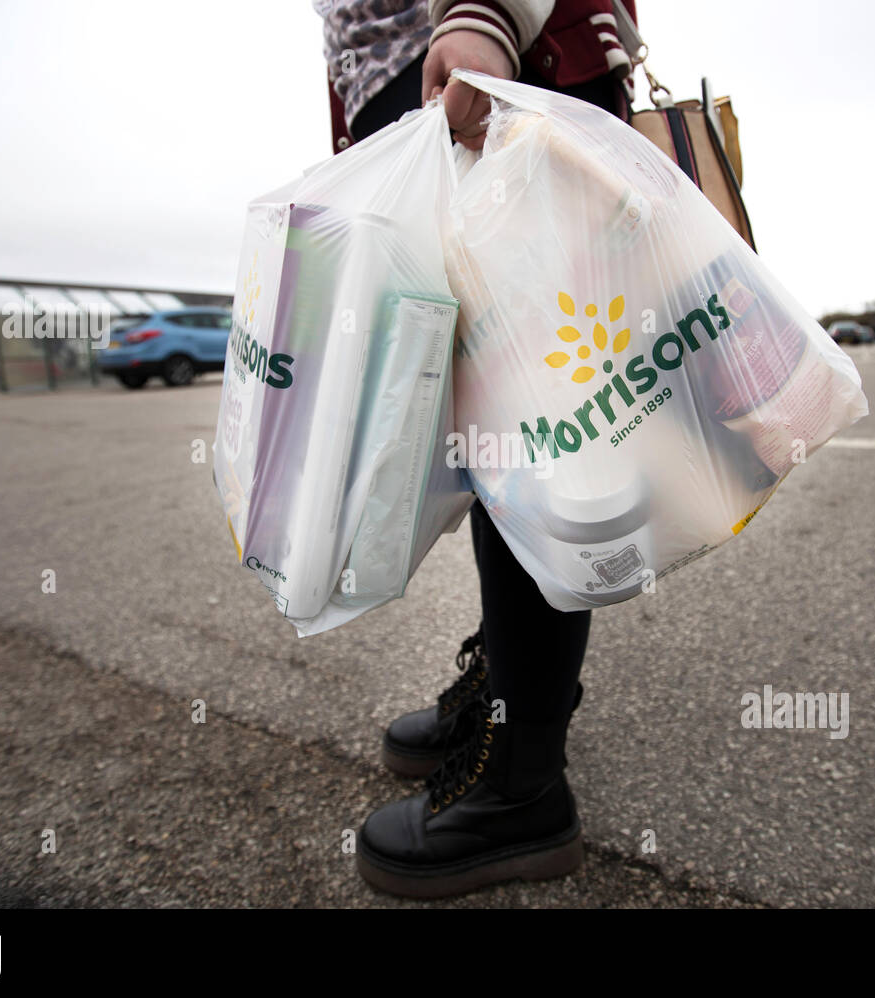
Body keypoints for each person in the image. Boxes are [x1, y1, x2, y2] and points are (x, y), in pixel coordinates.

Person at [316, 0, 637, 897]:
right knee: (484, 432)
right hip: (425, 89)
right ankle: (510, 692)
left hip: (496, 64)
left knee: (525, 429)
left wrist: (488, 18)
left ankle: (523, 783)